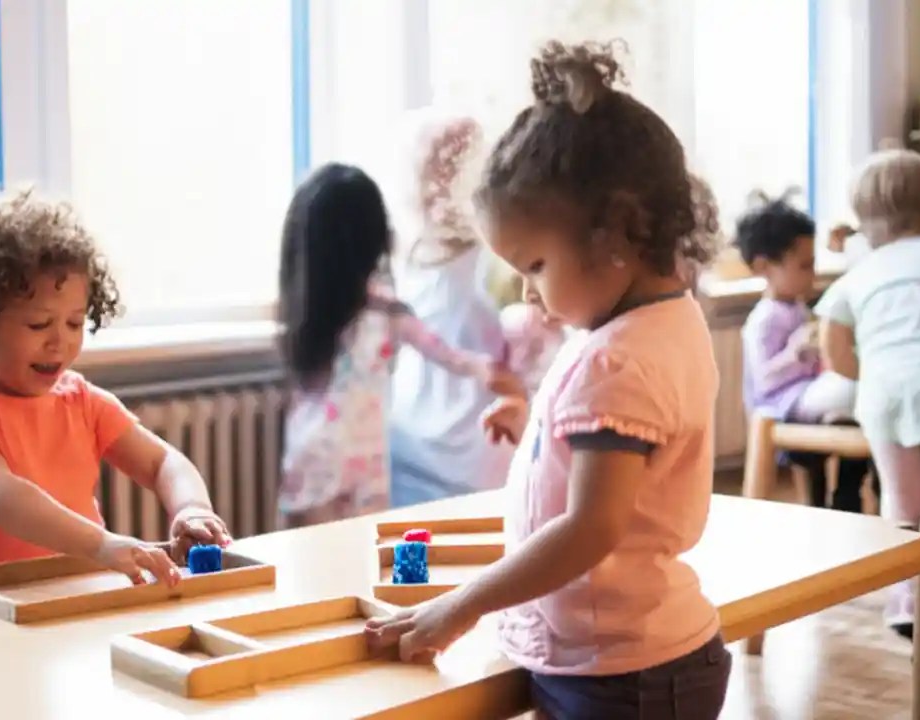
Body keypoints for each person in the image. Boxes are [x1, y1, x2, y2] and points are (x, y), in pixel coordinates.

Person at [366, 40, 731, 719]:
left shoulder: (615, 359)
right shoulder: (664, 322)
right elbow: (620, 450)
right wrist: (542, 428)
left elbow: (591, 527)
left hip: (624, 676)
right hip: (628, 661)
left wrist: (461, 604)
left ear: (616, 234)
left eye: (535, 265)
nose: (528, 293)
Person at [0, 190, 229, 595]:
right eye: (39, 325)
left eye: (75, 324)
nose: (59, 343)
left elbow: (162, 461)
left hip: (73, 592)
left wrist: (191, 508)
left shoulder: (81, 400)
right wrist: (102, 543)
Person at [276, 163, 520, 527]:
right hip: (358, 464)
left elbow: (448, 355)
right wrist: (490, 372)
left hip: (320, 458)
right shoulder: (382, 312)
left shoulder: (313, 313)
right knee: (353, 558)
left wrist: (486, 371)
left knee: (309, 558)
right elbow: (450, 356)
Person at [816, 148, 920, 639]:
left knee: (902, 502)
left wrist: (873, 373)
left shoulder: (860, 273)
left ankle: (908, 604)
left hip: (879, 390)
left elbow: (833, 348)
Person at [388, 111, 539, 506]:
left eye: (450, 162)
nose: (438, 178)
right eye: (431, 162)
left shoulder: (496, 257)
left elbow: (537, 340)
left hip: (477, 459)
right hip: (408, 451)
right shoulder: (404, 258)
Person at [734, 191, 870, 512]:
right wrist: (797, 352)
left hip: (808, 397)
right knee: (853, 390)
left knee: (852, 402)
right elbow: (764, 380)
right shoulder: (764, 319)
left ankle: (845, 496)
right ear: (763, 267)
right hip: (782, 404)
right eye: (804, 266)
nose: (812, 275)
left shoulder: (795, 307)